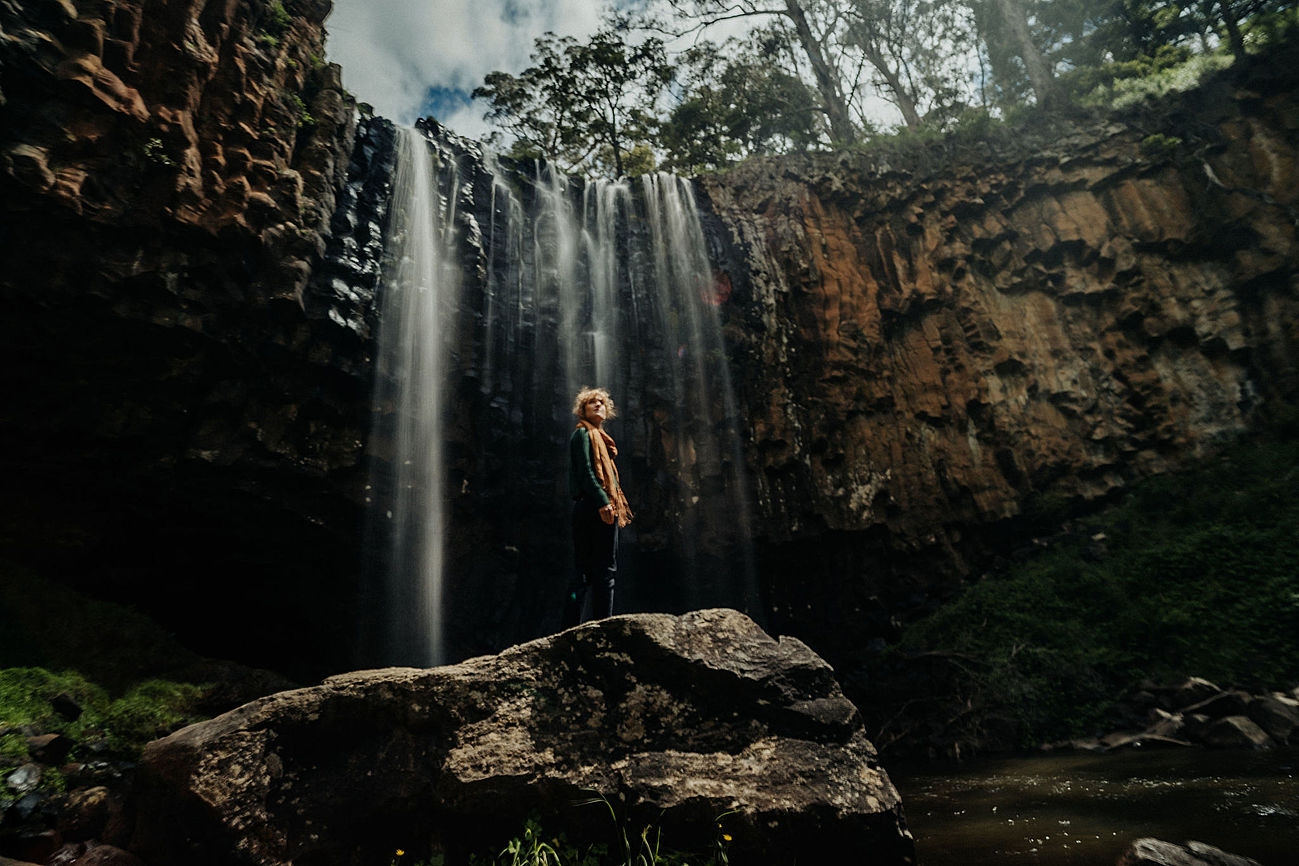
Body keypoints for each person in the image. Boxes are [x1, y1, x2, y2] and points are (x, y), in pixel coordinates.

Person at [564, 386, 633, 626]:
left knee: (603, 569)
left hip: (606, 506)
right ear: (582, 410)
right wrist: (603, 501)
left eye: (601, 402)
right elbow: (585, 471)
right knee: (592, 569)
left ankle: (600, 623)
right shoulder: (582, 434)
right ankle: (581, 625)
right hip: (593, 506)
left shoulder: (603, 441)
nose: (597, 405)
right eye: (591, 402)